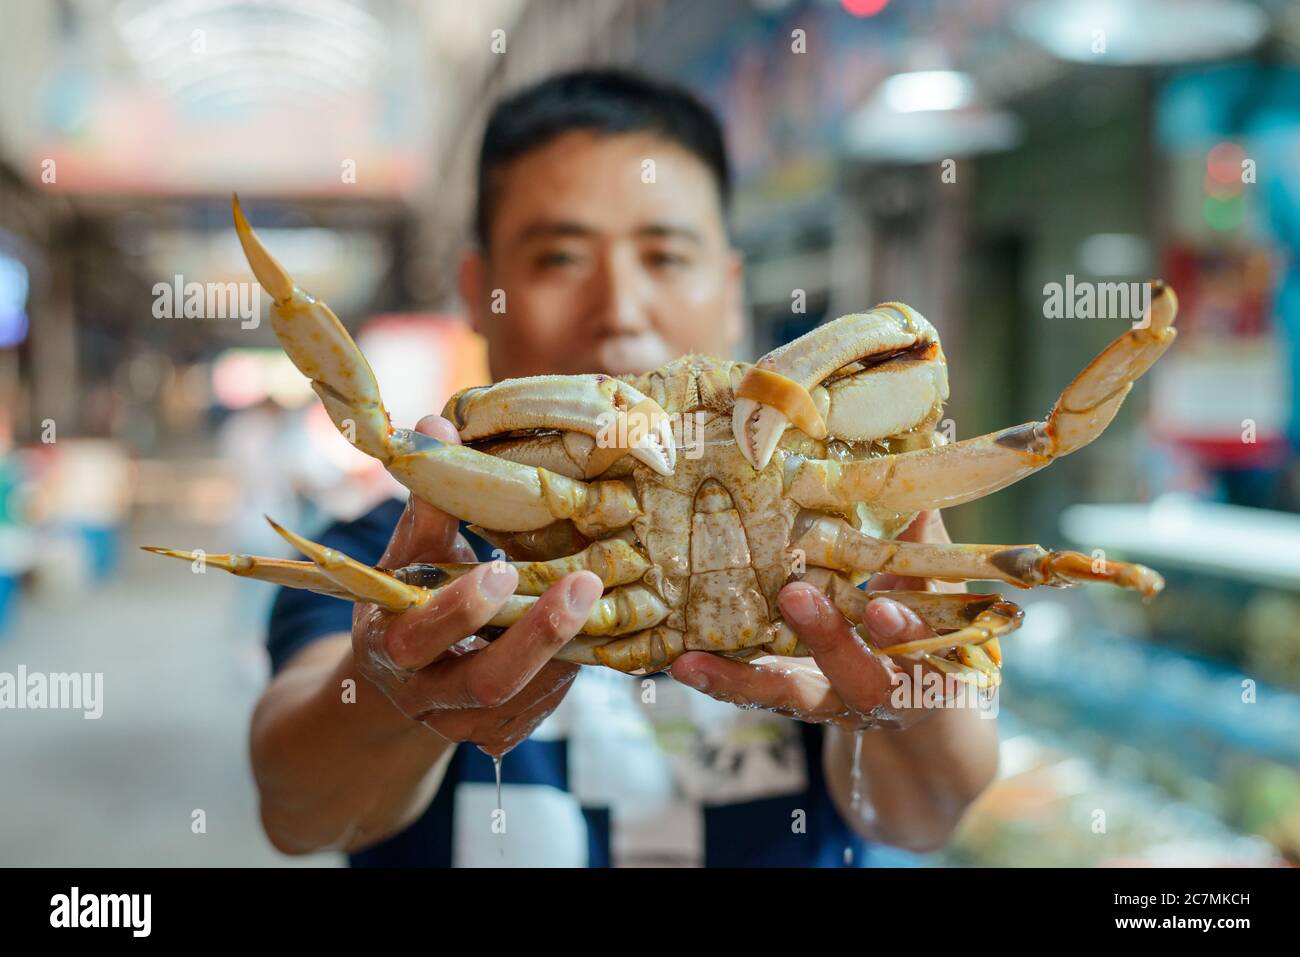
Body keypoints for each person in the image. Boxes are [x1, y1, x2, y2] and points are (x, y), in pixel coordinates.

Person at [250, 69, 999, 867]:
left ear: (732, 288)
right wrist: (383, 691)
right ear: (480, 290)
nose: (619, 305)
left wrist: (918, 707)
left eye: (666, 255)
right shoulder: (396, 555)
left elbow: (922, 817)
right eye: (559, 257)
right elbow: (299, 811)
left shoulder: (843, 531)